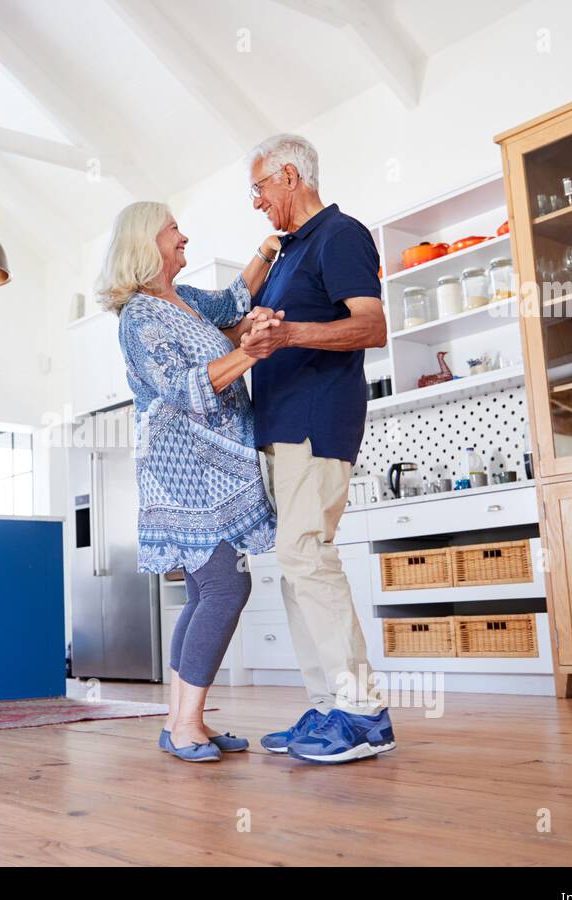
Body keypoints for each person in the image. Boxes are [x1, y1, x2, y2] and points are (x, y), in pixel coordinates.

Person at [96, 201, 282, 763]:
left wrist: (266, 251)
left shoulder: (185, 301)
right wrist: (247, 354)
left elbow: (233, 302)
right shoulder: (139, 317)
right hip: (185, 472)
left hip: (218, 464)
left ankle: (183, 720)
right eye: (173, 229)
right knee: (227, 587)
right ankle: (185, 727)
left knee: (206, 589)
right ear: (145, 242)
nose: (184, 237)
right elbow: (181, 390)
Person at [238, 133, 398, 764]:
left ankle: (362, 713)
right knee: (295, 565)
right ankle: (329, 705)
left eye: (258, 188)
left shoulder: (342, 234)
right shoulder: (286, 252)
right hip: (279, 427)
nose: (256, 202)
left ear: (287, 175)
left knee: (306, 554)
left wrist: (290, 334)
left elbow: (373, 325)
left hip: (315, 423)